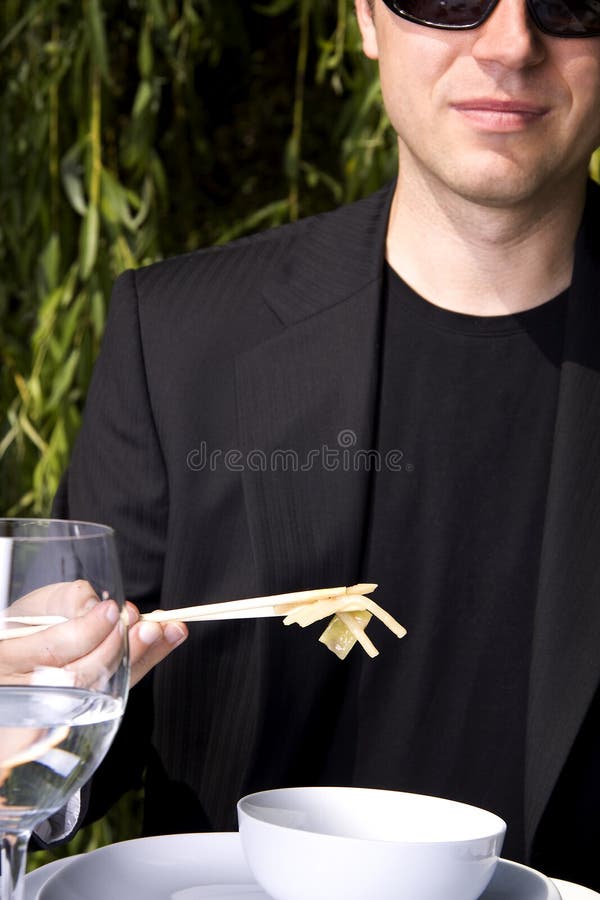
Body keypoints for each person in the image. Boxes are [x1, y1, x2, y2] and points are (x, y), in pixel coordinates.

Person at [49, 0, 600, 888]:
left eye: (572, 2)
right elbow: (77, 751)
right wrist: (22, 735)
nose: (510, 44)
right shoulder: (182, 341)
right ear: (367, 19)